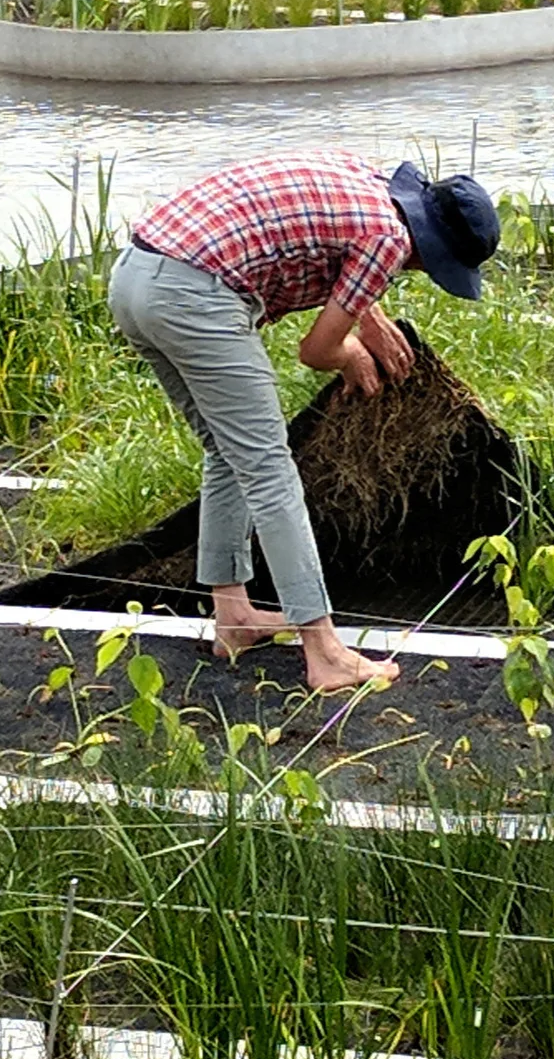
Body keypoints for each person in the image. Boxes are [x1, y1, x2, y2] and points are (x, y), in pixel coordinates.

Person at [107, 149, 501, 693]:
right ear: (429, 250)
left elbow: (329, 237)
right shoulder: (390, 242)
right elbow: (315, 350)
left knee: (229, 451)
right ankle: (324, 651)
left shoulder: (369, 181)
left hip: (135, 278)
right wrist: (353, 353)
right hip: (194, 294)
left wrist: (371, 315)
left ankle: (234, 617)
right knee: (270, 468)